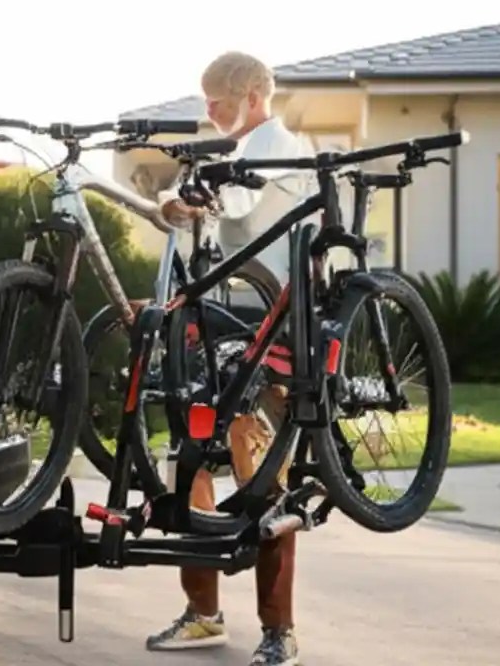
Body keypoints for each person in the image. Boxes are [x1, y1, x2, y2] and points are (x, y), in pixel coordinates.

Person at [143, 51, 314, 666]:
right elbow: (205, 195)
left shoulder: (281, 149)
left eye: (215, 99)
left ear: (248, 94)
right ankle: (203, 613)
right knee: (188, 463)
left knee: (261, 470)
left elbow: (236, 202)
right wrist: (175, 202)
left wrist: (194, 200)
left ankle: (279, 630)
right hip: (219, 329)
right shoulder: (235, 153)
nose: (208, 110)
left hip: (271, 332)